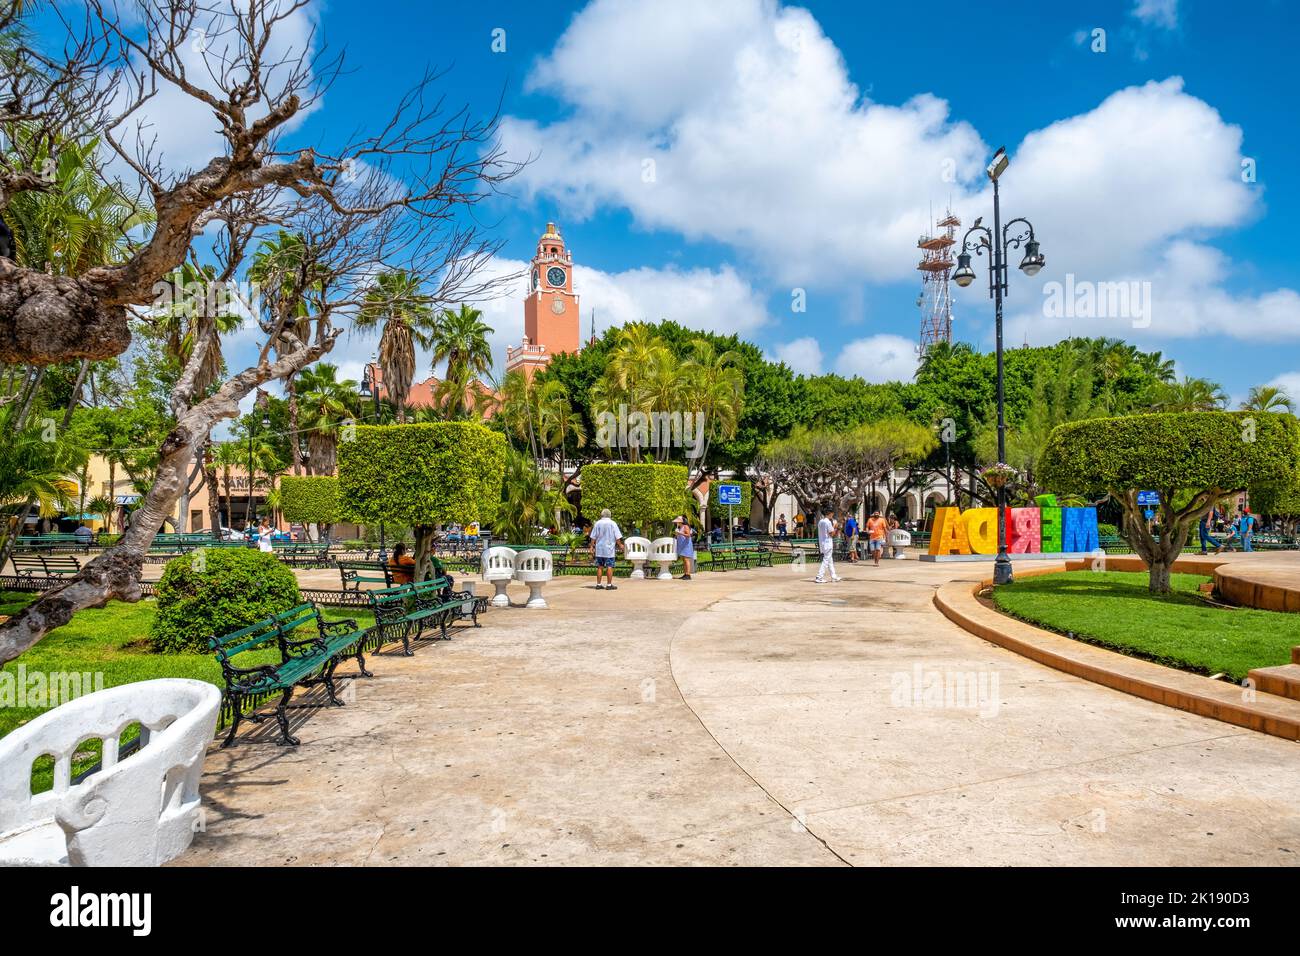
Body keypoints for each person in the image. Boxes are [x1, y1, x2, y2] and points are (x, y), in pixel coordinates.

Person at [588, 508, 623, 590]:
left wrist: (591, 547)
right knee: (609, 566)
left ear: (602, 515)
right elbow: (617, 536)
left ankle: (599, 584)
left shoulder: (597, 523)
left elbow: (593, 537)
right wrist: (620, 545)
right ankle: (609, 585)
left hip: (599, 549)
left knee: (600, 566)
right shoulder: (613, 523)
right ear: (610, 515)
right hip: (609, 549)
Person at [815, 510, 840, 584]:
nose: (832, 515)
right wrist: (835, 527)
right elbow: (832, 534)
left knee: (830, 560)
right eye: (832, 514)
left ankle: (834, 576)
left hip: (822, 543)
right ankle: (819, 577)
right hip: (828, 543)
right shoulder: (828, 522)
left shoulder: (820, 521)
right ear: (830, 513)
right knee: (826, 560)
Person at [673, 516, 696, 580]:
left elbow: (688, 535)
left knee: (686, 559)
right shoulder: (680, 527)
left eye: (678, 521)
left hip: (686, 545)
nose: (677, 523)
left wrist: (679, 533)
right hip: (682, 545)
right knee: (684, 559)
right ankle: (685, 573)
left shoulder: (685, 526)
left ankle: (688, 574)